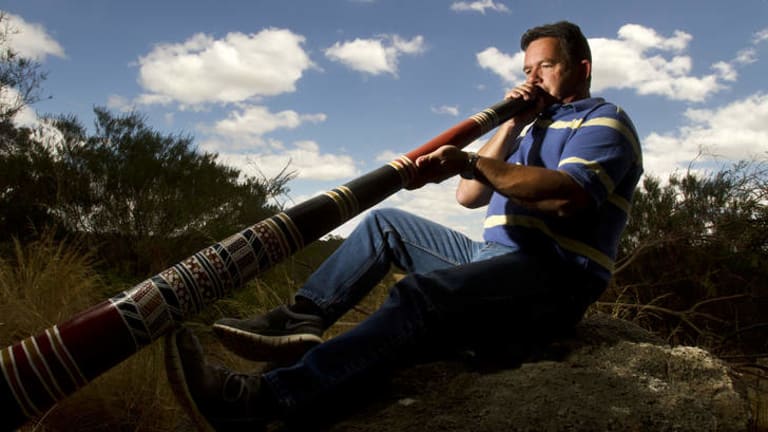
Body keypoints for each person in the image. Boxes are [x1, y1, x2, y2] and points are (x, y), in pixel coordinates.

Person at [166, 20, 643, 430]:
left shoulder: (605, 121)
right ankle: (302, 318)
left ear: (580, 69)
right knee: (386, 223)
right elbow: (470, 196)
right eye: (526, 71)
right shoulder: (531, 128)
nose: (533, 79)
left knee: (422, 295)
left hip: (553, 274)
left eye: (546, 67)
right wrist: (511, 126)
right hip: (495, 258)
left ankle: (262, 401)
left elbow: (567, 194)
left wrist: (471, 161)